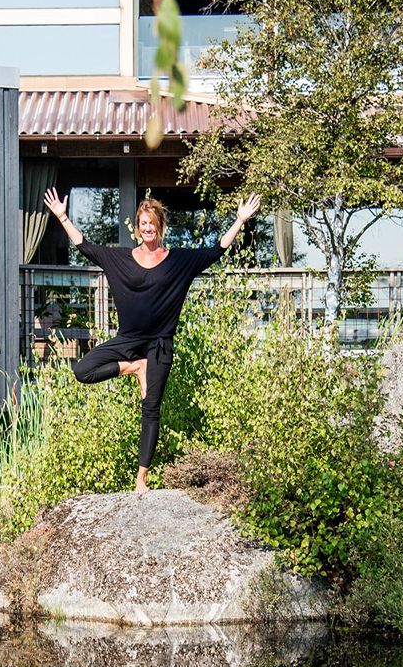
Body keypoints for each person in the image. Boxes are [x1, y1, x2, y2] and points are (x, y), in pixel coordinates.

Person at [42, 188, 263, 492]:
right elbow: (86, 246)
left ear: (160, 226)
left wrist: (239, 220)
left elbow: (215, 250)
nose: (147, 228)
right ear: (137, 227)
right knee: (82, 371)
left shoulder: (177, 261)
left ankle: (141, 479)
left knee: (151, 408)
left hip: (159, 344)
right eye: (143, 223)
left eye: (152, 223)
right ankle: (135, 367)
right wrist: (62, 217)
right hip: (128, 341)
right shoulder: (121, 258)